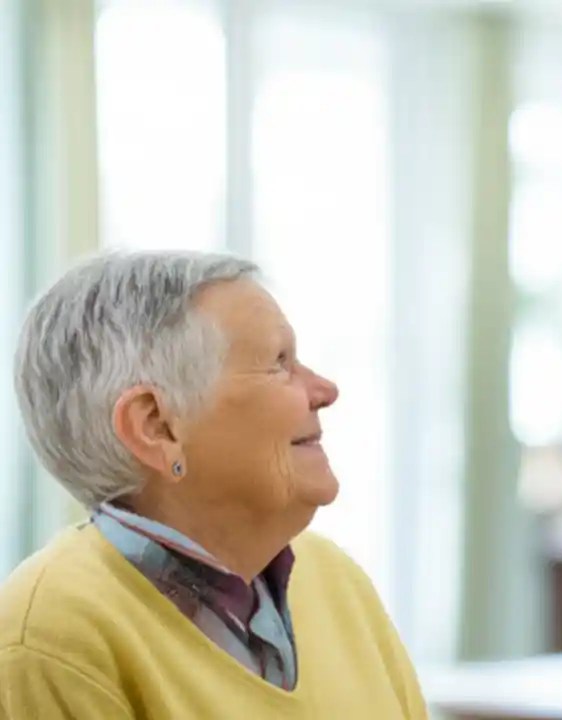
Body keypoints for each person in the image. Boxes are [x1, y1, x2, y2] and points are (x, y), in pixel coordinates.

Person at [0, 251, 429, 718]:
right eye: (279, 362)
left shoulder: (335, 580)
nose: (325, 390)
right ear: (156, 426)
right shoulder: (53, 635)